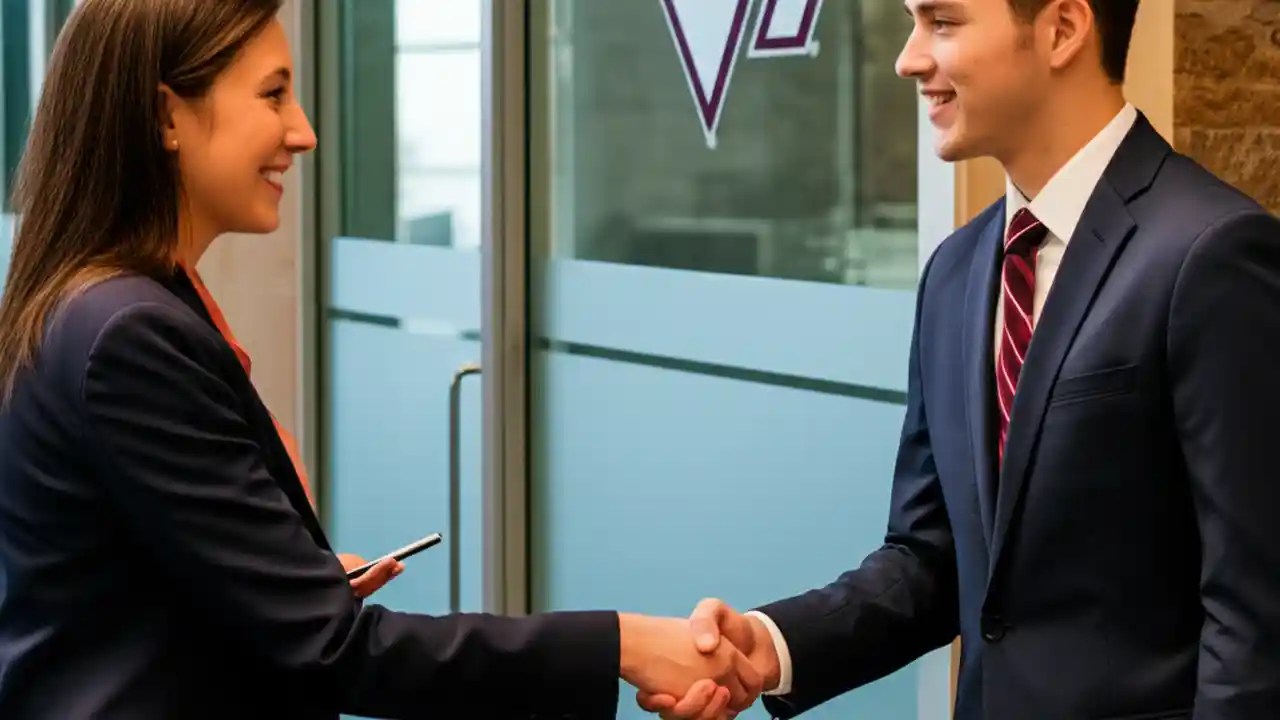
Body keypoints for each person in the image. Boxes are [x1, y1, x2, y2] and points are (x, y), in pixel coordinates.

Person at [0, 1, 763, 718]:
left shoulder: (113, 306)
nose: (303, 132)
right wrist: (623, 643)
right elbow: (331, 651)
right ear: (168, 114)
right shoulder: (129, 332)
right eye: (273, 95)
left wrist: (280, 580)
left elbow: (130, 581)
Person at [640, 0, 1280, 718]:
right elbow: (931, 558)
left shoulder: (1214, 253)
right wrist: (771, 643)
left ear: (1062, 29)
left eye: (941, 23)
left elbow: (1255, 618)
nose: (908, 58)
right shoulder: (956, 271)